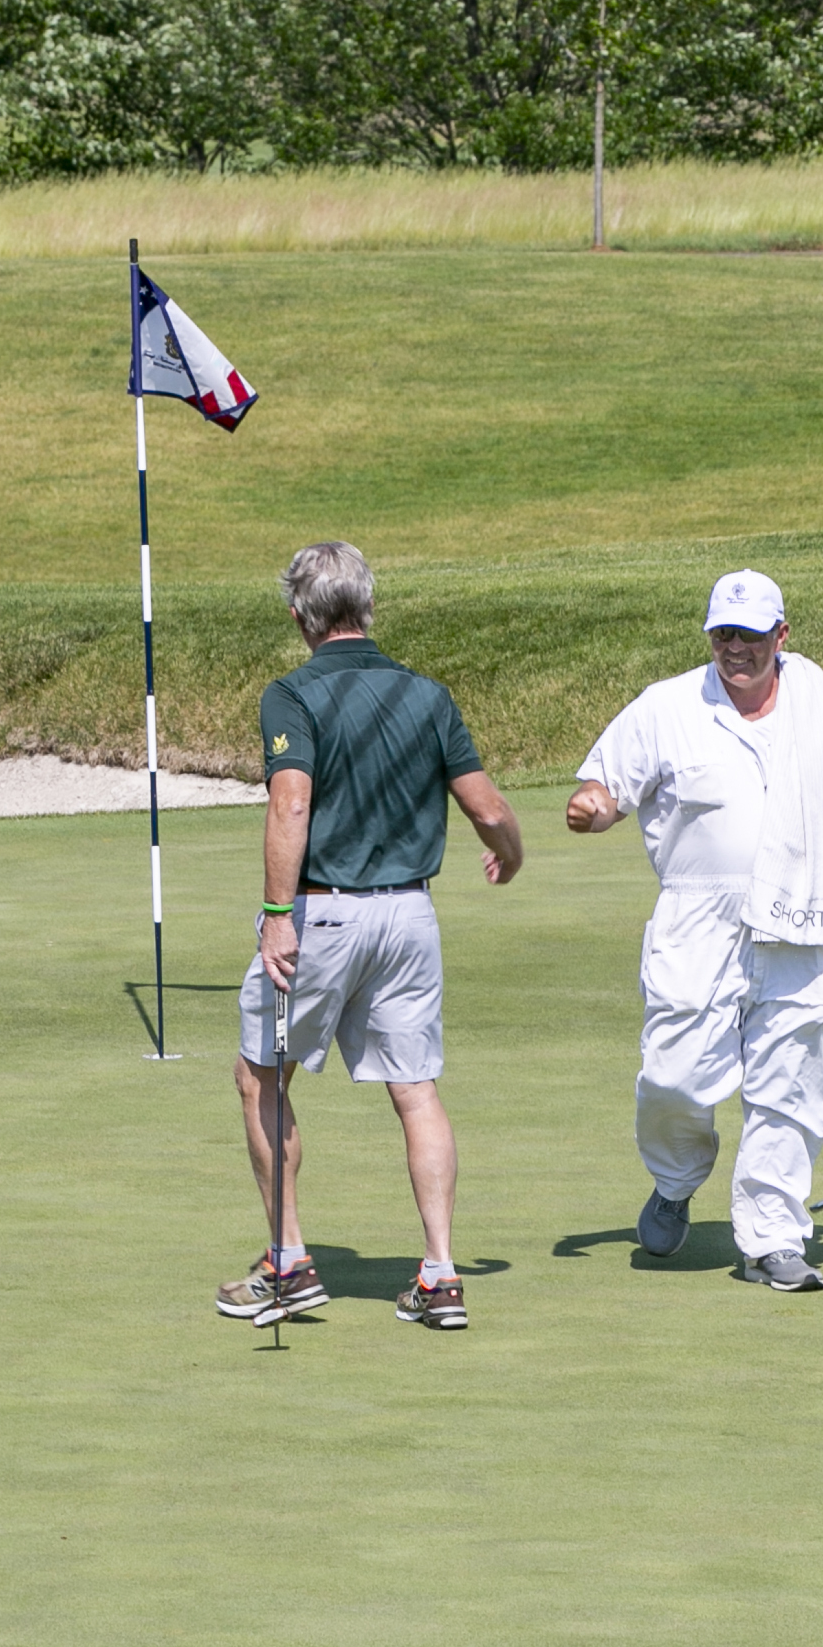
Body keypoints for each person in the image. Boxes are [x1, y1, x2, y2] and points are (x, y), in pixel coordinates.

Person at [563, 569, 823, 1292]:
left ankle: (773, 1239)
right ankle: (674, 1181)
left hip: (799, 919)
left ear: (780, 636)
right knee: (675, 1079)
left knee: (791, 1085)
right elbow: (607, 788)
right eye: (723, 633)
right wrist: (593, 807)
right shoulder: (666, 707)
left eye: (751, 635)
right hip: (698, 923)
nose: (736, 648)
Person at [219, 541, 526, 1332]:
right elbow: (489, 809)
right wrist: (509, 854)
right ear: (368, 605)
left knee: (262, 1076)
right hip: (411, 918)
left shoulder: (291, 694)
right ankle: (440, 1276)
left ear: (300, 617)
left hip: (323, 915)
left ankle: (288, 1262)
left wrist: (277, 914)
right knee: (415, 1089)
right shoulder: (428, 694)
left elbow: (291, 804)